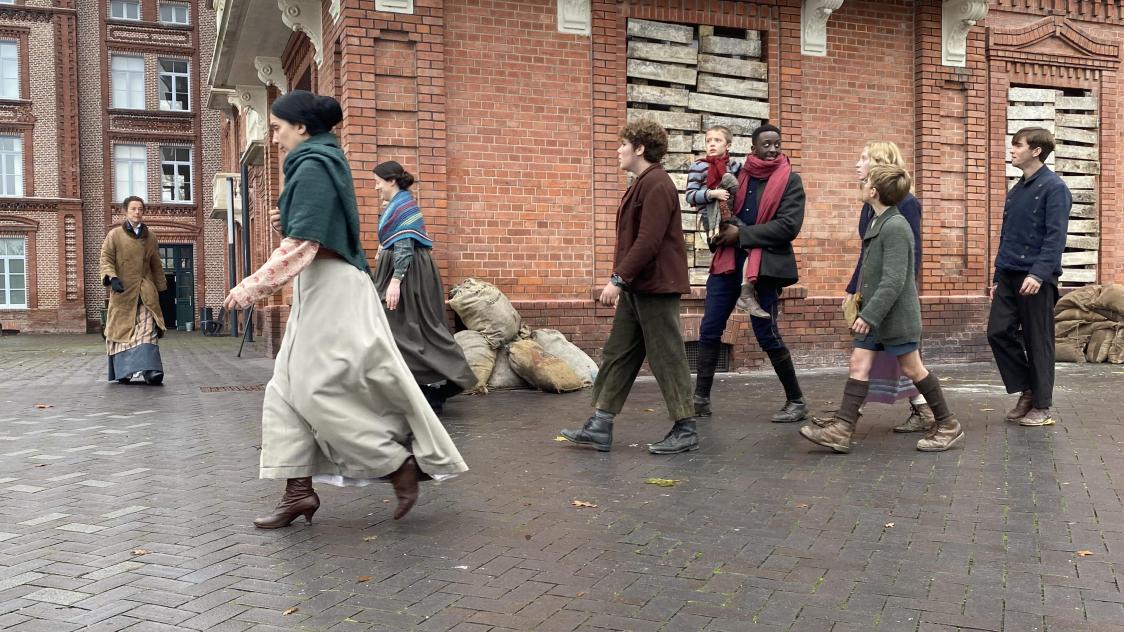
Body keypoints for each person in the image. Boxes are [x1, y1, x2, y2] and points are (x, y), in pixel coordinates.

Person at [222, 90, 467, 528]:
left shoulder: (314, 164)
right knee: (283, 390)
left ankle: (396, 462)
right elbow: (310, 229)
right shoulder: (314, 162)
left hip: (333, 288)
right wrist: (289, 222)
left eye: (277, 128)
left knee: (317, 390)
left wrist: (250, 288)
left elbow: (305, 246)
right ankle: (297, 491)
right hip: (319, 288)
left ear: (301, 127)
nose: (274, 138)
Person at [799, 164, 963, 453]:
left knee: (913, 369)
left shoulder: (896, 227)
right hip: (876, 316)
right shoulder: (878, 222)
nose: (861, 183)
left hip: (894, 318)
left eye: (866, 181)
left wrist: (869, 315)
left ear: (874, 191)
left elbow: (895, 280)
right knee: (858, 364)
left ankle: (948, 424)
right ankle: (842, 430)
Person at [559, 118, 699, 455]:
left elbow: (648, 241)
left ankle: (686, 428)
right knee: (618, 354)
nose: (619, 150)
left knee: (667, 357)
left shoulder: (657, 184)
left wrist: (618, 279)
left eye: (624, 144)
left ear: (639, 148)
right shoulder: (642, 183)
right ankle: (600, 425)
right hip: (640, 287)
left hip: (654, 288)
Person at [702, 123, 807, 422]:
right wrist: (722, 230)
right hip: (728, 263)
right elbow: (724, 209)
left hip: (764, 268)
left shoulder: (790, 181)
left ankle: (796, 401)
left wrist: (743, 236)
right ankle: (700, 399)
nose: (773, 149)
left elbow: (788, 227)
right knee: (709, 328)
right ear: (753, 148)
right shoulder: (739, 176)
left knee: (767, 333)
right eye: (766, 145)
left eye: (777, 144)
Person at [370, 160, 476, 414]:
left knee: (407, 327)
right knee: (412, 329)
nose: (375, 188)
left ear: (391, 181)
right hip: (406, 272)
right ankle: (429, 389)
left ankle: (447, 381)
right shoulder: (398, 203)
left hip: (408, 276)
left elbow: (405, 244)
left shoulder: (403, 205)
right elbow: (394, 239)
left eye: (378, 182)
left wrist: (396, 281)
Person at [847, 141, 935, 433]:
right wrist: (853, 288)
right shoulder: (869, 205)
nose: (858, 165)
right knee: (869, 356)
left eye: (863, 159)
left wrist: (896, 296)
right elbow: (868, 251)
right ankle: (845, 420)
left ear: (879, 164)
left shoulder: (905, 205)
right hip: (873, 289)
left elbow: (909, 254)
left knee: (904, 359)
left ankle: (934, 414)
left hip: (891, 293)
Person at [987, 127, 1071, 427]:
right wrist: (997, 276)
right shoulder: (1017, 189)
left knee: (1038, 341)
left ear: (1035, 150)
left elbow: (1055, 237)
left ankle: (1042, 405)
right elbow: (1007, 236)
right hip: (1009, 275)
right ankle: (1026, 388)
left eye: (1017, 145)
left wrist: (1038, 273)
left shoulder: (1054, 188)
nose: (1011, 150)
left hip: (1036, 278)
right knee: (997, 332)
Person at [99, 196, 167, 385]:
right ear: (125, 211)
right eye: (133, 209)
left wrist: (161, 288)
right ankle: (124, 371)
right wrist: (112, 278)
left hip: (145, 290)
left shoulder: (151, 237)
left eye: (140, 209)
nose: (137, 212)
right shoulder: (114, 235)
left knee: (147, 328)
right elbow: (106, 258)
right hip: (122, 291)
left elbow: (156, 265)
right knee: (123, 330)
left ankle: (151, 369)